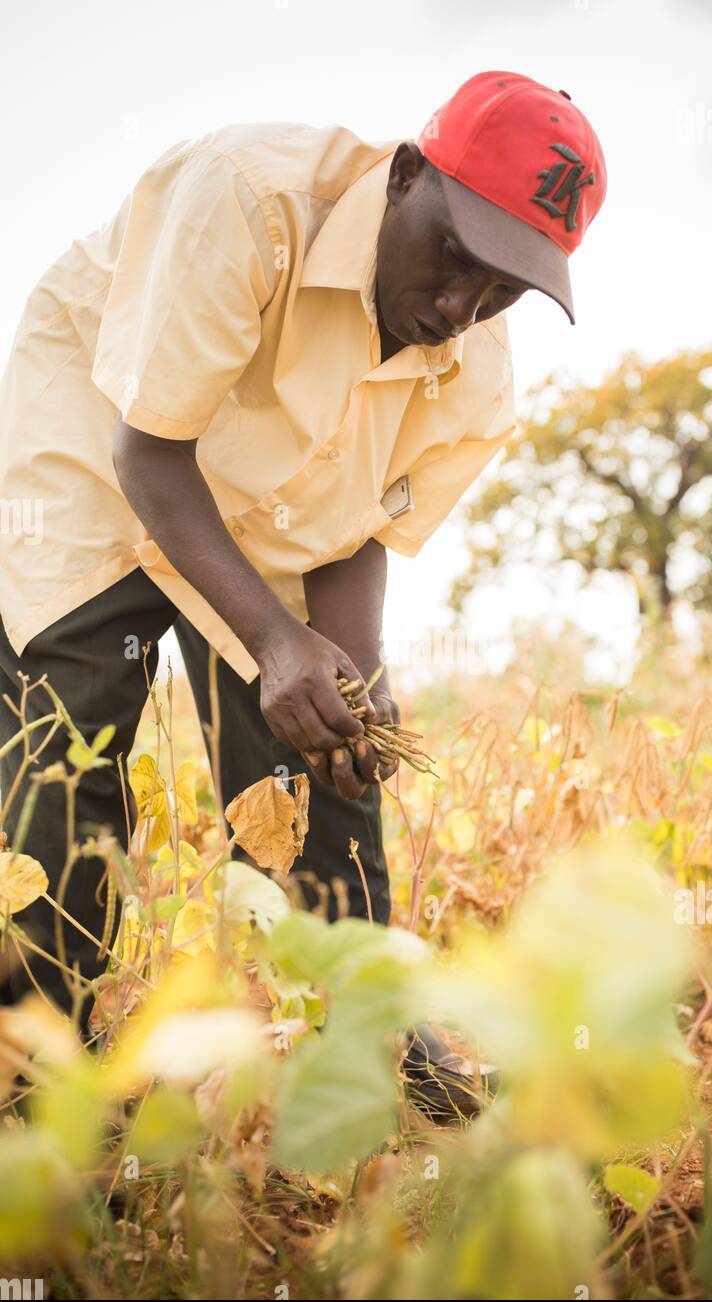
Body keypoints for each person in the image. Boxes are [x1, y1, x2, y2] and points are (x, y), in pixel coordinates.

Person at [0, 70, 606, 1113]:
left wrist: (347, 674)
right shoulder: (246, 199)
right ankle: (38, 1085)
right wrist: (274, 639)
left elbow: (356, 528)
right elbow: (150, 453)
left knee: (325, 756)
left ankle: (372, 1052)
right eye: (456, 255)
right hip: (102, 439)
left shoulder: (472, 370)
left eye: (504, 286)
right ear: (405, 175)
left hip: (264, 500)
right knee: (71, 744)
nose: (461, 306)